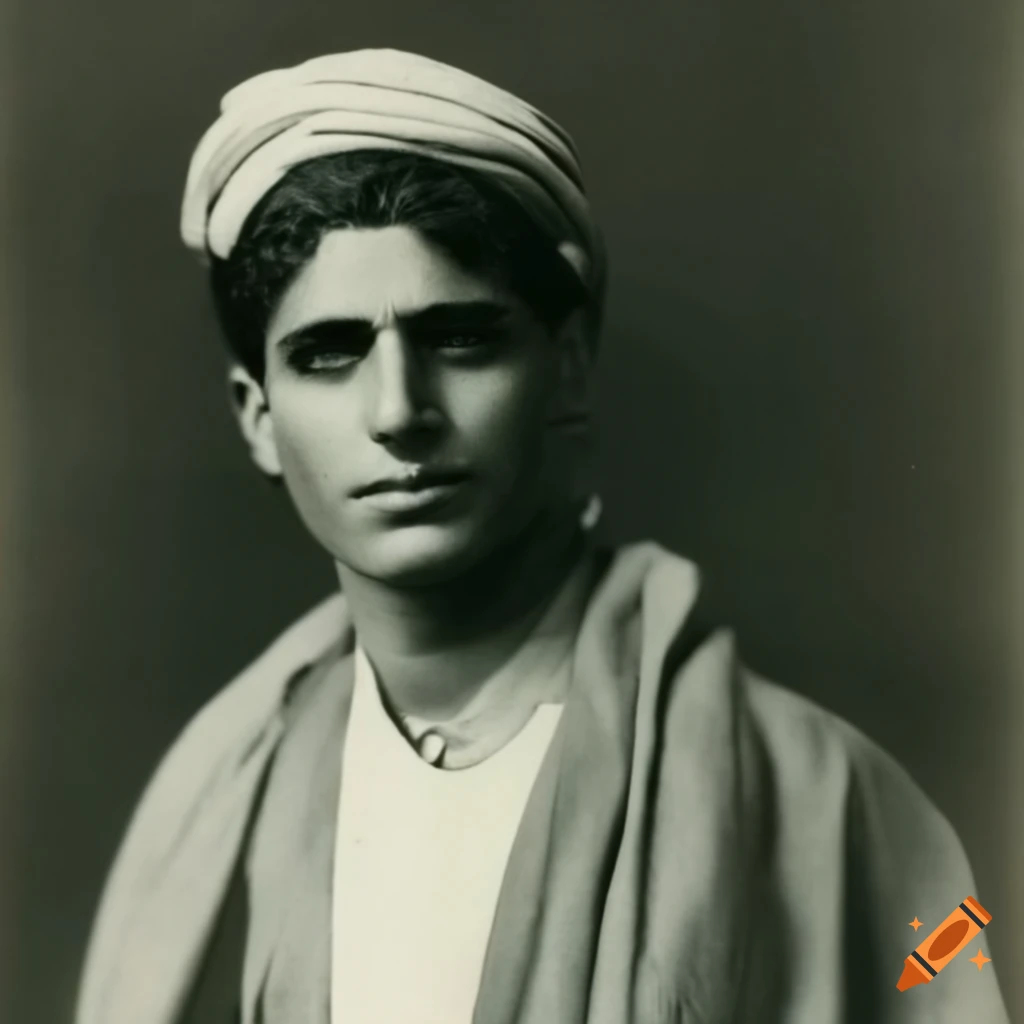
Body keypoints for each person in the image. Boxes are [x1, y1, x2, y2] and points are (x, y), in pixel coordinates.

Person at [74, 49, 1010, 1024]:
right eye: (329, 353)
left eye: (459, 338)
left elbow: (947, 952)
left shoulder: (824, 793)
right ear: (259, 418)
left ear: (566, 368)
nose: (398, 411)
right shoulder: (217, 802)